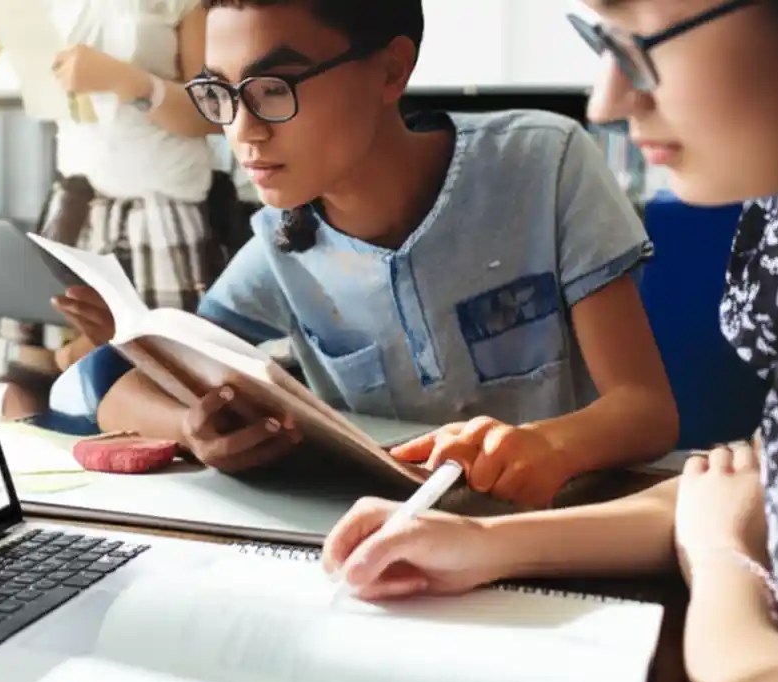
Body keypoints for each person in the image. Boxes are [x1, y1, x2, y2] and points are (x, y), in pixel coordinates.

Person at [324, 0, 778, 682]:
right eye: (601, 41)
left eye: (645, 41)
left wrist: (723, 565)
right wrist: (484, 542)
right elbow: (757, 489)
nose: (608, 98)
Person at [51, 0, 678, 507]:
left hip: (561, 524)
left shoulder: (545, 164)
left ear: (389, 71)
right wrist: (193, 429)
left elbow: (647, 412)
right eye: (220, 92)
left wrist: (547, 444)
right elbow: (113, 385)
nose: (242, 130)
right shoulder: (281, 240)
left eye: (274, 88)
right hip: (384, 537)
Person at [0, 0, 242, 389]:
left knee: (164, 376)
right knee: (34, 377)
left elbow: (212, 113)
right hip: (74, 207)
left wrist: (129, 82)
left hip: (164, 214)